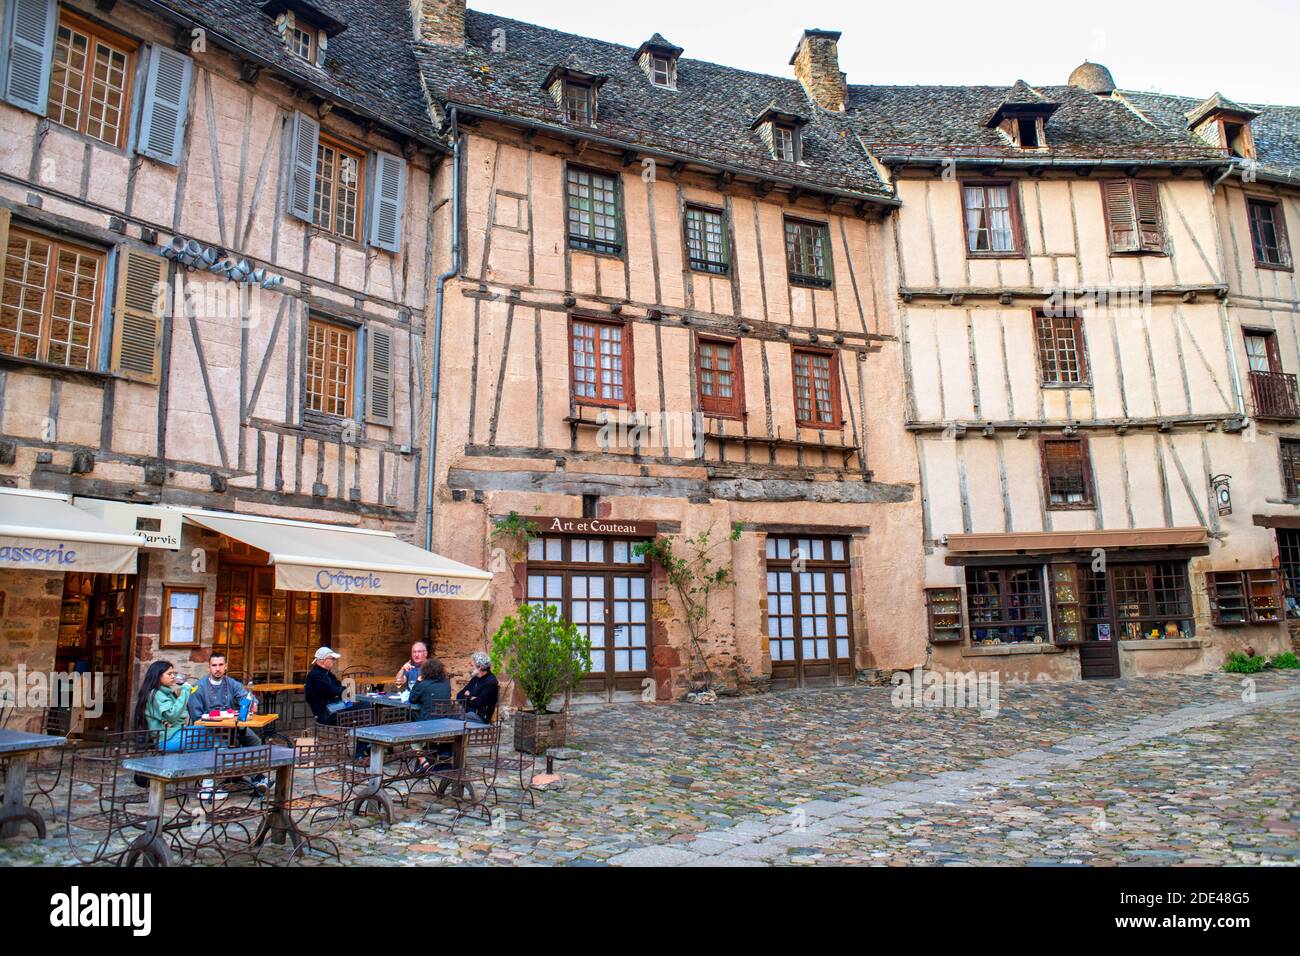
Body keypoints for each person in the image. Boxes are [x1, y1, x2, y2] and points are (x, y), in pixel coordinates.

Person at [186, 653, 259, 746]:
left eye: (221, 665)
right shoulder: (198, 687)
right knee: (231, 743)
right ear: (209, 667)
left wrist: (253, 703)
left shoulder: (232, 683)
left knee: (254, 741)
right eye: (214, 665)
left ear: (226, 666)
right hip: (208, 728)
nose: (217, 669)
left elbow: (245, 697)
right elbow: (196, 717)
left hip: (231, 725)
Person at [134, 660, 194, 752]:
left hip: (175, 733)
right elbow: (172, 715)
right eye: (169, 674)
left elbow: (181, 715)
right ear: (158, 676)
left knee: (206, 733)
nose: (173, 676)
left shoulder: (166, 693)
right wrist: (185, 691)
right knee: (205, 737)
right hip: (166, 739)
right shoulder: (156, 694)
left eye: (173, 673)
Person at [408, 658, 452, 772]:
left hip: (429, 725)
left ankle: (423, 761)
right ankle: (439, 754)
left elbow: (412, 699)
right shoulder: (446, 683)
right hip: (446, 723)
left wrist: (418, 681)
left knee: (410, 732)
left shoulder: (423, 685)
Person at [304, 646, 346, 724]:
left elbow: (337, 685)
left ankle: (355, 733)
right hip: (325, 713)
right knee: (363, 706)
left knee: (360, 704)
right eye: (332, 658)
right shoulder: (315, 675)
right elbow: (333, 690)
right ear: (322, 660)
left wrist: (342, 690)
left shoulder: (326, 673)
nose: (334, 661)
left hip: (332, 706)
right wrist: (342, 690)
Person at [455, 651, 499, 724]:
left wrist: (467, 696)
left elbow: (479, 703)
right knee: (451, 714)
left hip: (480, 716)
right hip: (470, 712)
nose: (470, 667)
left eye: (472, 665)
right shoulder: (476, 678)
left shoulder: (491, 681)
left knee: (455, 718)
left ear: (480, 667)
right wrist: (470, 697)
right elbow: (459, 695)